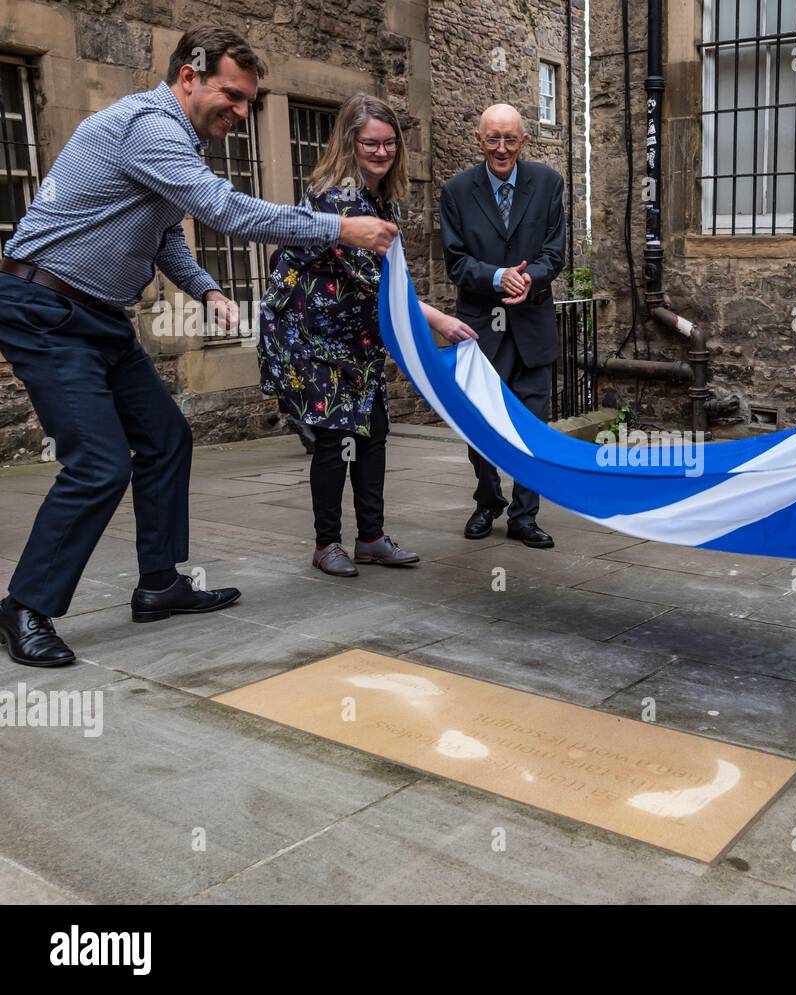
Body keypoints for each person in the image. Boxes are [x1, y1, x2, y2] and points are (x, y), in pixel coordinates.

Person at [0, 25, 398, 668]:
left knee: (165, 438)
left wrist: (207, 289)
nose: (242, 113)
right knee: (100, 464)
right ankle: (26, 606)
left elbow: (165, 237)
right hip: (44, 309)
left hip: (98, 315)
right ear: (190, 74)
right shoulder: (148, 126)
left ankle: (159, 584)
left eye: (249, 103)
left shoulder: (176, 142)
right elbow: (223, 211)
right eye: (234, 96)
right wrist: (340, 228)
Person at [257, 94, 477, 577]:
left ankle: (372, 537)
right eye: (370, 144)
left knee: (374, 431)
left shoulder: (382, 197)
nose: (382, 153)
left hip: (357, 337)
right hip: (313, 335)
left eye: (389, 144)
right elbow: (373, 281)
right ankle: (326, 543)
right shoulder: (336, 197)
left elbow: (388, 278)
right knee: (337, 438)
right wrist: (437, 320)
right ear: (349, 142)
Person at [439, 103, 566, 549]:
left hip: (532, 325)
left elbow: (555, 252)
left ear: (523, 141)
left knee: (533, 426)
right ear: (479, 140)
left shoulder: (549, 184)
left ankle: (524, 516)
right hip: (480, 330)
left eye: (510, 139)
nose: (501, 148)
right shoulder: (455, 191)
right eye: (493, 138)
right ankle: (487, 498)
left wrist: (530, 277)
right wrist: (496, 276)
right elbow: (455, 261)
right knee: (479, 424)